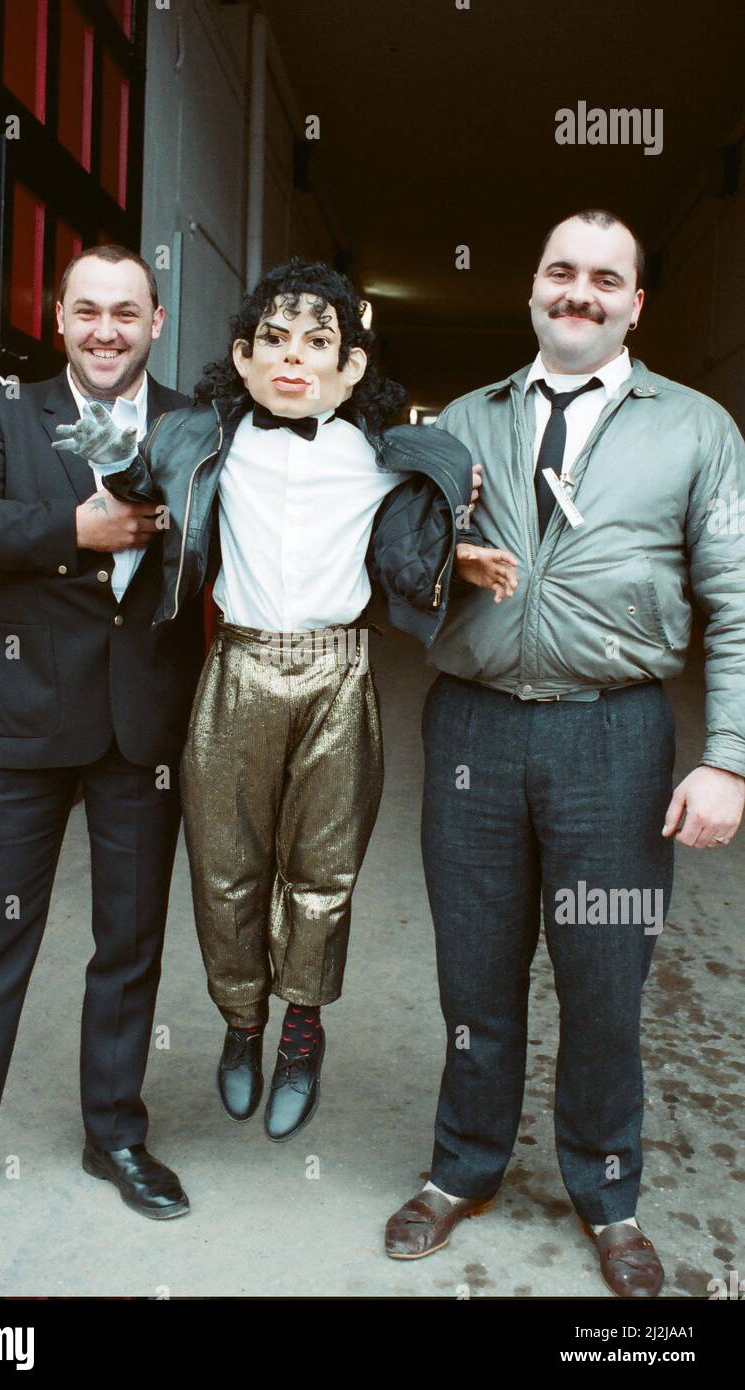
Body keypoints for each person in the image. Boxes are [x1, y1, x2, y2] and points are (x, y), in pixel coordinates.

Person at [54, 258, 509, 1143]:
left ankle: (302, 1030)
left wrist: (459, 548)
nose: (294, 357)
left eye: (319, 342)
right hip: (238, 672)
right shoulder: (203, 442)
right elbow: (143, 490)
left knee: (322, 874)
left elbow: (415, 536)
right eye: (274, 340)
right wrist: (110, 459)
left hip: (339, 677)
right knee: (225, 870)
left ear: (353, 367)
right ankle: (241, 1023)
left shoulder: (389, 456)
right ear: (243, 355)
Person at [384, 210, 745, 1297]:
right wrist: (443, 564)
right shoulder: (459, 421)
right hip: (474, 731)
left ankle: (607, 1193)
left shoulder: (694, 428)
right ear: (532, 290)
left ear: (635, 303)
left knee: (602, 981)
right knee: (474, 973)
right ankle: (464, 1170)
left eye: (603, 278)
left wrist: (726, 756)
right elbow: (395, 575)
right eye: (558, 272)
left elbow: (736, 602)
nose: (577, 291)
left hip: (615, 736)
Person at [0, 245, 203, 1227]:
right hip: (24, 714)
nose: (106, 329)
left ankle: (115, 1132)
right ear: (57, 318)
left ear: (155, 321)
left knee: (130, 939)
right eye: (86, 311)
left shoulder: (198, 424)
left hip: (141, 721)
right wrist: (76, 530)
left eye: (126, 311)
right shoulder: (6, 414)